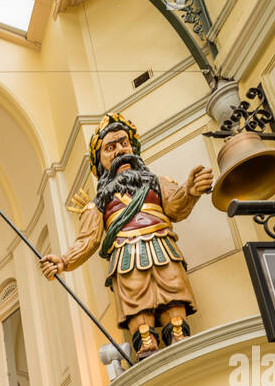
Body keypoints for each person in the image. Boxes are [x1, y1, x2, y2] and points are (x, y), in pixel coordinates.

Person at [40, 111, 212, 360]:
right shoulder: (98, 203)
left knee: (172, 288)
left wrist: (190, 190)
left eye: (124, 143)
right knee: (136, 296)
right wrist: (64, 261)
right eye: (110, 147)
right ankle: (145, 341)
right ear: (101, 162)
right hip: (126, 255)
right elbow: (88, 240)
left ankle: (177, 334)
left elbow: (175, 207)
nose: (120, 150)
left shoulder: (157, 182)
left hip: (163, 245)